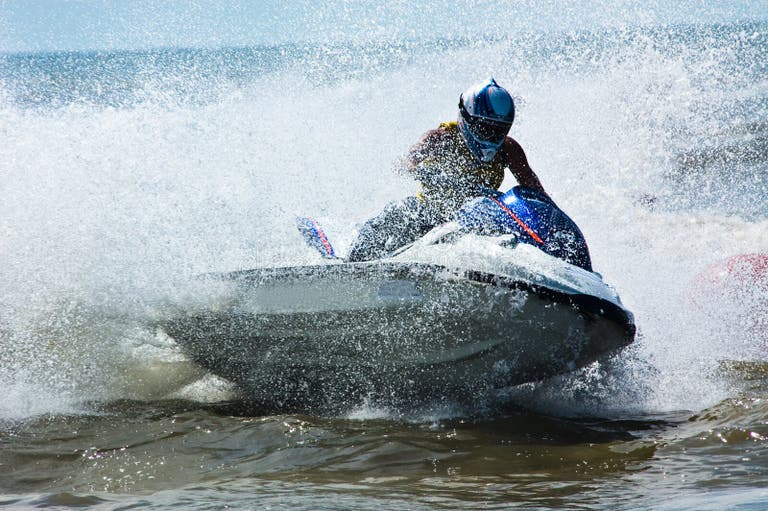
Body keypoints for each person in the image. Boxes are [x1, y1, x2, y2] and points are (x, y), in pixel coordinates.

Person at [347, 77, 551, 262]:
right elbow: (403, 164)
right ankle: (349, 265)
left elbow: (537, 194)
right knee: (396, 214)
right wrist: (423, 172)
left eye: (499, 130)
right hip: (428, 213)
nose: (491, 137)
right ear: (466, 117)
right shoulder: (440, 138)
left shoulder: (509, 149)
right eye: (485, 128)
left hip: (478, 219)